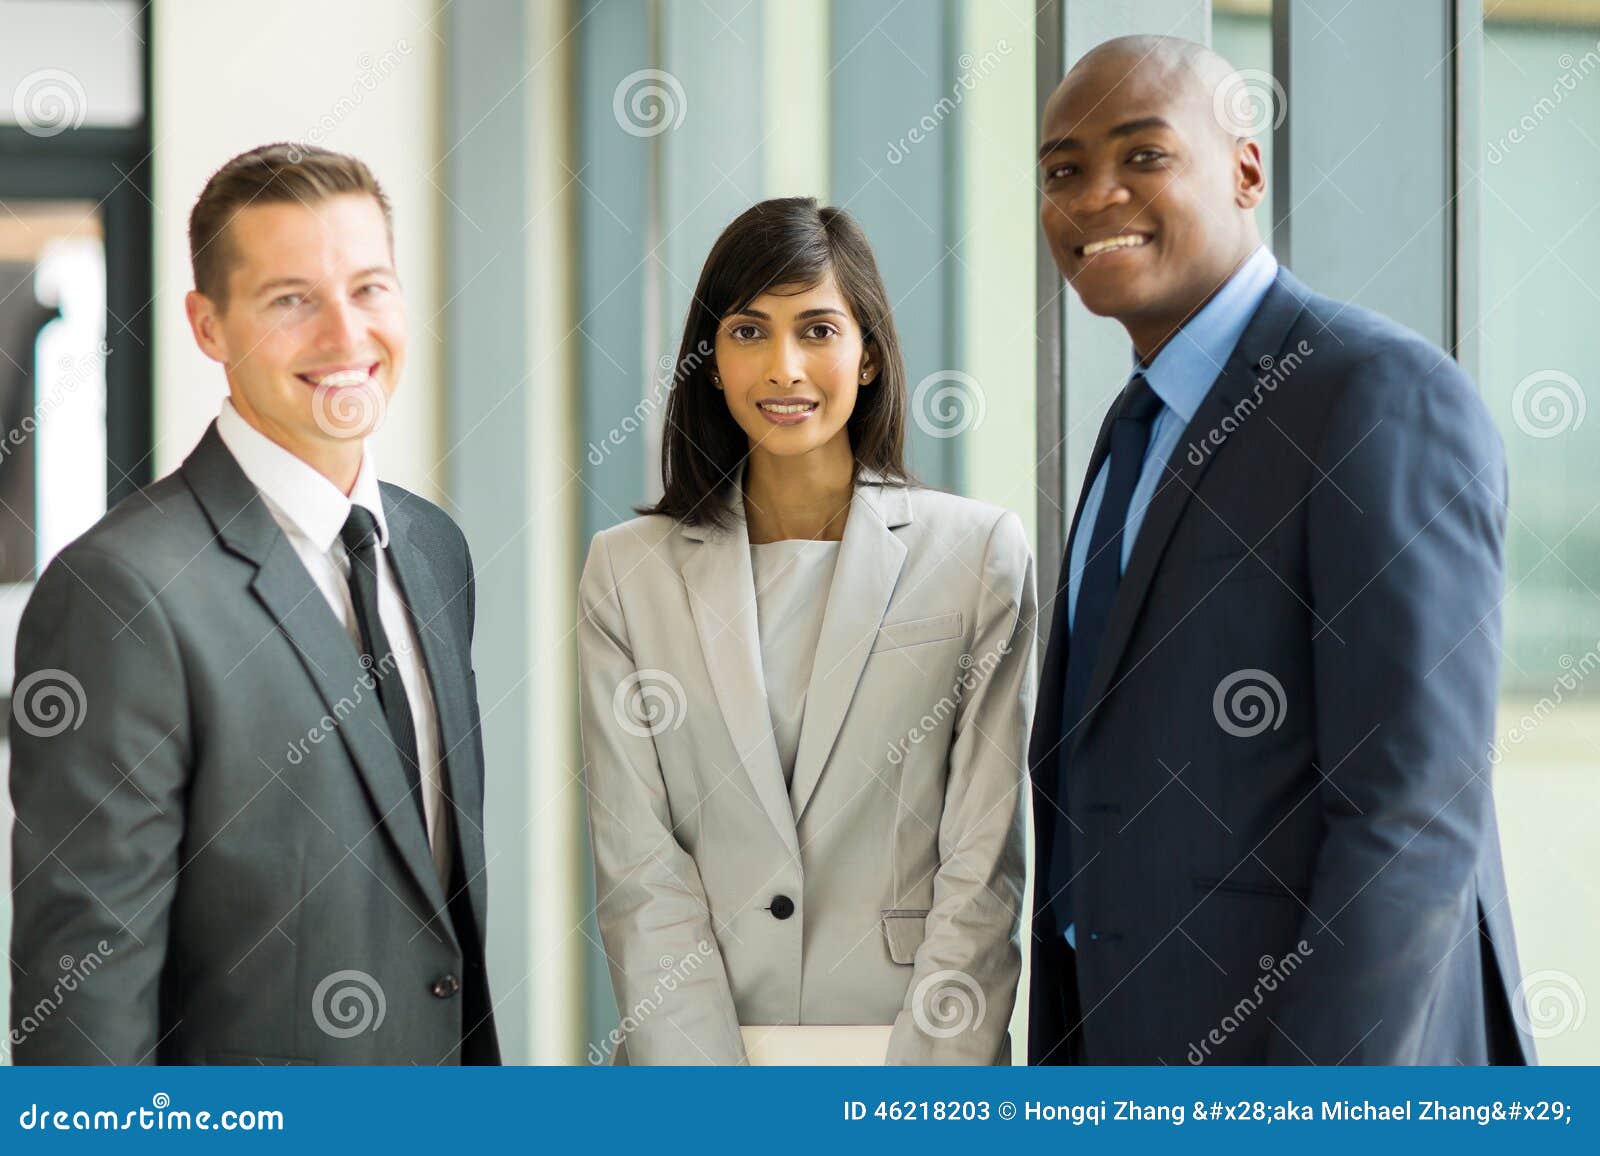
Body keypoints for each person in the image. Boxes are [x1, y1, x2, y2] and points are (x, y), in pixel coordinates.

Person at [1028, 36, 1534, 1065]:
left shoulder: (1377, 393)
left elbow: (1413, 809)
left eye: (1143, 155)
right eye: (1063, 171)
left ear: (1246, 171)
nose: (1095, 197)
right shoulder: (1134, 428)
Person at [8, 144, 498, 1065]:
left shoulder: (434, 549)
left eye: (369, 288)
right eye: (291, 300)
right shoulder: (122, 592)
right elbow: (85, 992)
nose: (346, 335)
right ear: (208, 326)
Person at [578, 197, 1033, 1065]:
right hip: (704, 1052)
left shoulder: (977, 554)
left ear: (869, 354)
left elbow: (985, 858)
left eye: (818, 330)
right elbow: (638, 866)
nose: (783, 368)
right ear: (711, 364)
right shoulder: (627, 574)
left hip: (913, 1047)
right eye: (749, 333)